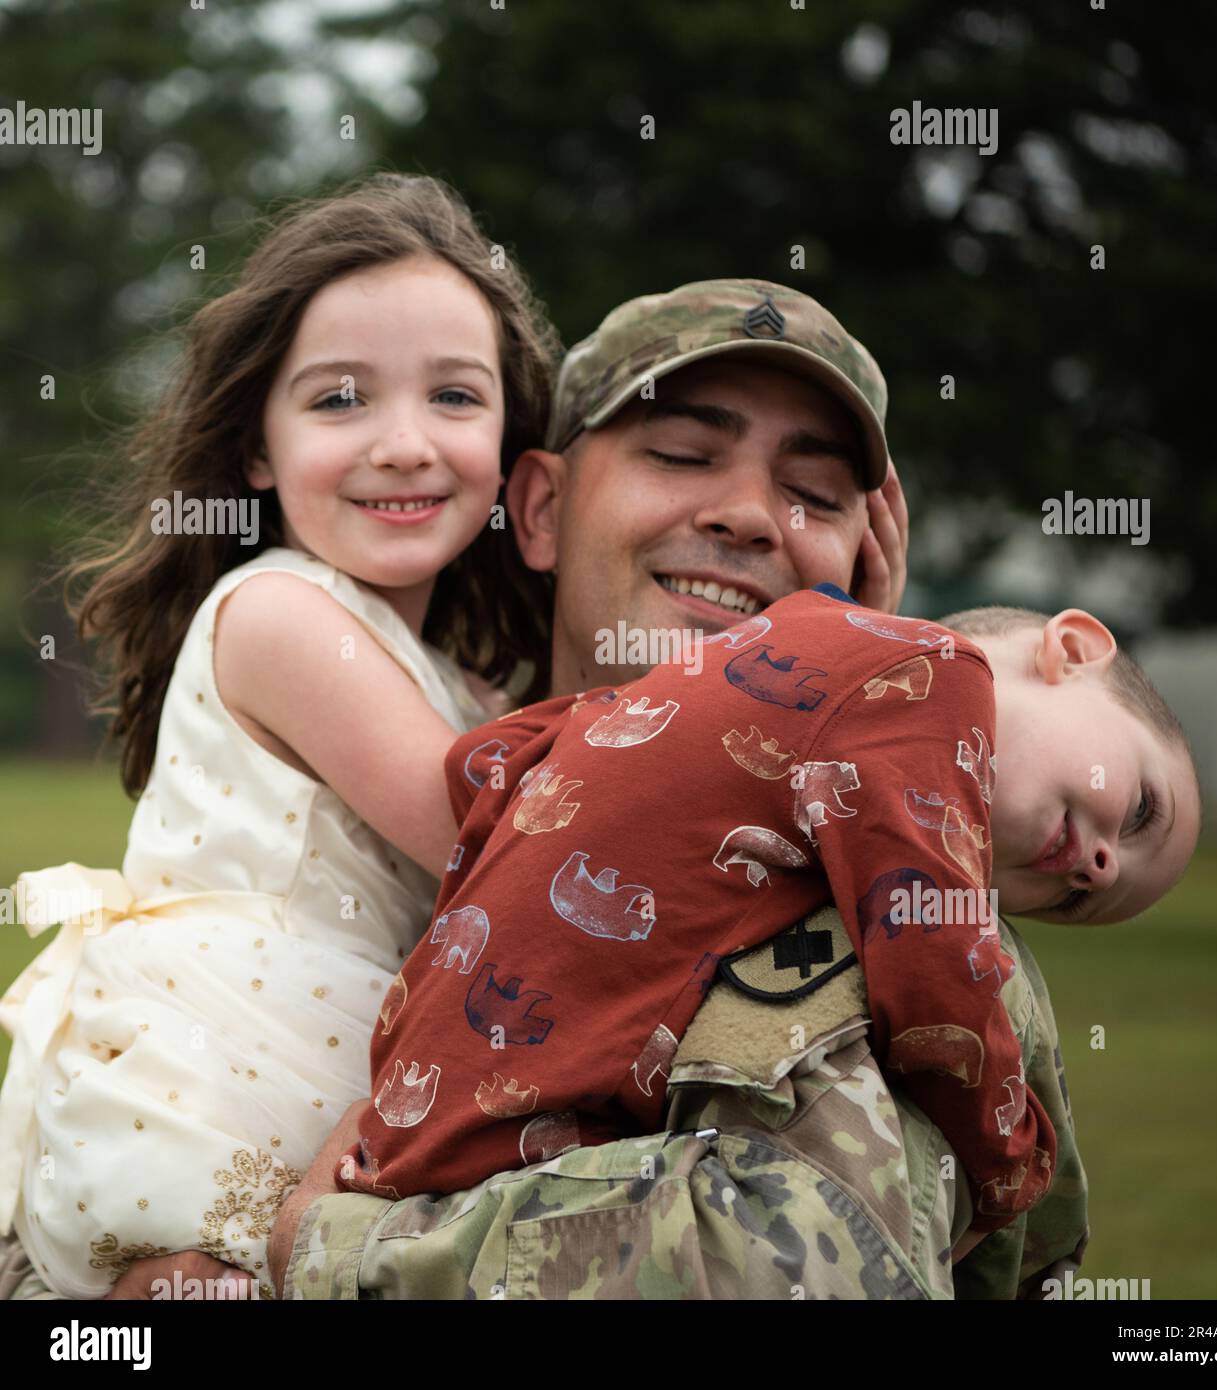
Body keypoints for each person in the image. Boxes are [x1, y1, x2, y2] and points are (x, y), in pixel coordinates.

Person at [266, 281, 1141, 1299]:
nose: (747, 516)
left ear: (860, 565)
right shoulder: (386, 786)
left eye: (813, 495)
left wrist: (328, 1251)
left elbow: (795, 1265)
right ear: (541, 509)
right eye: (681, 455)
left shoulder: (881, 938)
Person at [0, 172, 559, 1297]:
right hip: (211, 1081)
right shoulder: (280, 613)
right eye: (340, 400)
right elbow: (485, 829)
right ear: (255, 447)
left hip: (328, 1087)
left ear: (513, 441)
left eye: (454, 397)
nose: (403, 443)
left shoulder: (461, 680)